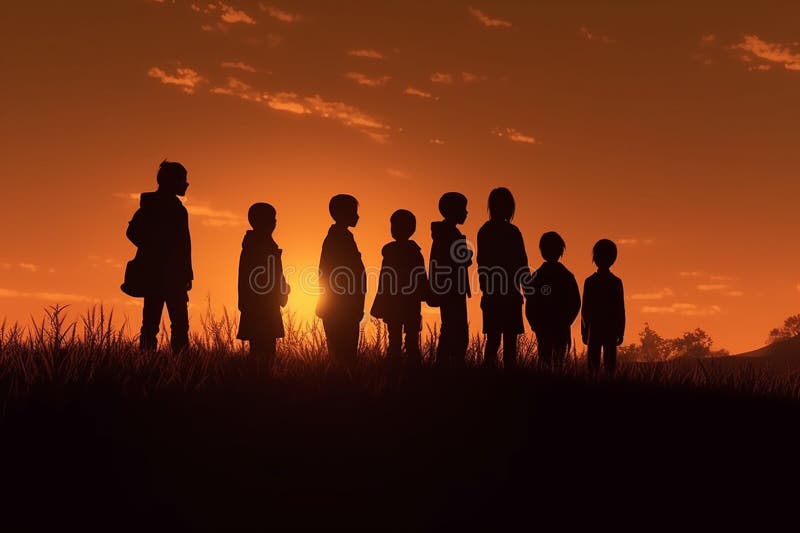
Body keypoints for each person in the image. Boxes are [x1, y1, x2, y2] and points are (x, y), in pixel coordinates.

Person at [122, 160, 193, 354]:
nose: (186, 184)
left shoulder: (176, 209)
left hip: (172, 275)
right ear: (171, 181)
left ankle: (176, 363)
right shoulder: (155, 207)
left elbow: (184, 246)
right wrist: (155, 248)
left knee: (173, 324)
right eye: (183, 179)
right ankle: (158, 362)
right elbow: (133, 232)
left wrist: (187, 273)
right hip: (159, 275)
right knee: (164, 324)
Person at [477, 187, 529, 370]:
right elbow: (522, 263)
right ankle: (502, 378)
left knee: (500, 341)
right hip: (502, 295)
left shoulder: (487, 231)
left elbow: (521, 264)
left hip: (500, 295)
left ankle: (494, 377)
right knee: (503, 342)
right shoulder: (511, 232)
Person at [237, 203, 290, 372]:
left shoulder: (257, 244)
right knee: (264, 349)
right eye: (271, 219)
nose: (275, 223)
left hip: (261, 304)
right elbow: (267, 276)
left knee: (263, 349)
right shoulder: (259, 246)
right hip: (262, 305)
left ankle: (260, 380)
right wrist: (282, 290)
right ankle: (261, 381)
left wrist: (282, 288)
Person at [371, 209, 428, 365]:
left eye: (396, 226)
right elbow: (385, 279)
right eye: (393, 226)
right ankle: (407, 367)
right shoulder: (411, 253)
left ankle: (401, 367)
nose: (394, 230)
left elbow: (385, 280)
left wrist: (381, 301)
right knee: (404, 339)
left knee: (401, 339)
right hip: (406, 302)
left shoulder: (394, 253)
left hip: (400, 302)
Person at [316, 194, 366, 365]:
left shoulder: (342, 237)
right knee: (343, 355)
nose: (357, 216)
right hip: (341, 306)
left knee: (343, 354)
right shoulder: (337, 239)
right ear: (342, 213)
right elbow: (327, 273)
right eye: (353, 212)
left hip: (344, 305)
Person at [429, 192, 472, 368]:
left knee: (452, 327)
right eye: (463, 209)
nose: (466, 212)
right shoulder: (448, 234)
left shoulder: (445, 233)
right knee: (455, 328)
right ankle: (450, 365)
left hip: (451, 288)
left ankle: (447, 364)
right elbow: (459, 260)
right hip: (452, 288)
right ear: (453, 211)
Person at [525, 231, 580, 367]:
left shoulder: (537, 276)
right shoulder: (567, 276)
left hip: (543, 326)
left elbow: (530, 302)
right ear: (561, 251)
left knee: (544, 361)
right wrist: (567, 320)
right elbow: (576, 303)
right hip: (561, 326)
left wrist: (534, 322)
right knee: (559, 362)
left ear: (542, 251)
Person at [581, 239, 625, 375]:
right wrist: (621, 330)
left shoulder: (590, 282)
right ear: (613, 259)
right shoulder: (616, 282)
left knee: (593, 365)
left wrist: (584, 330)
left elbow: (585, 309)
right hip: (610, 328)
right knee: (610, 364)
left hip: (594, 328)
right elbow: (620, 309)